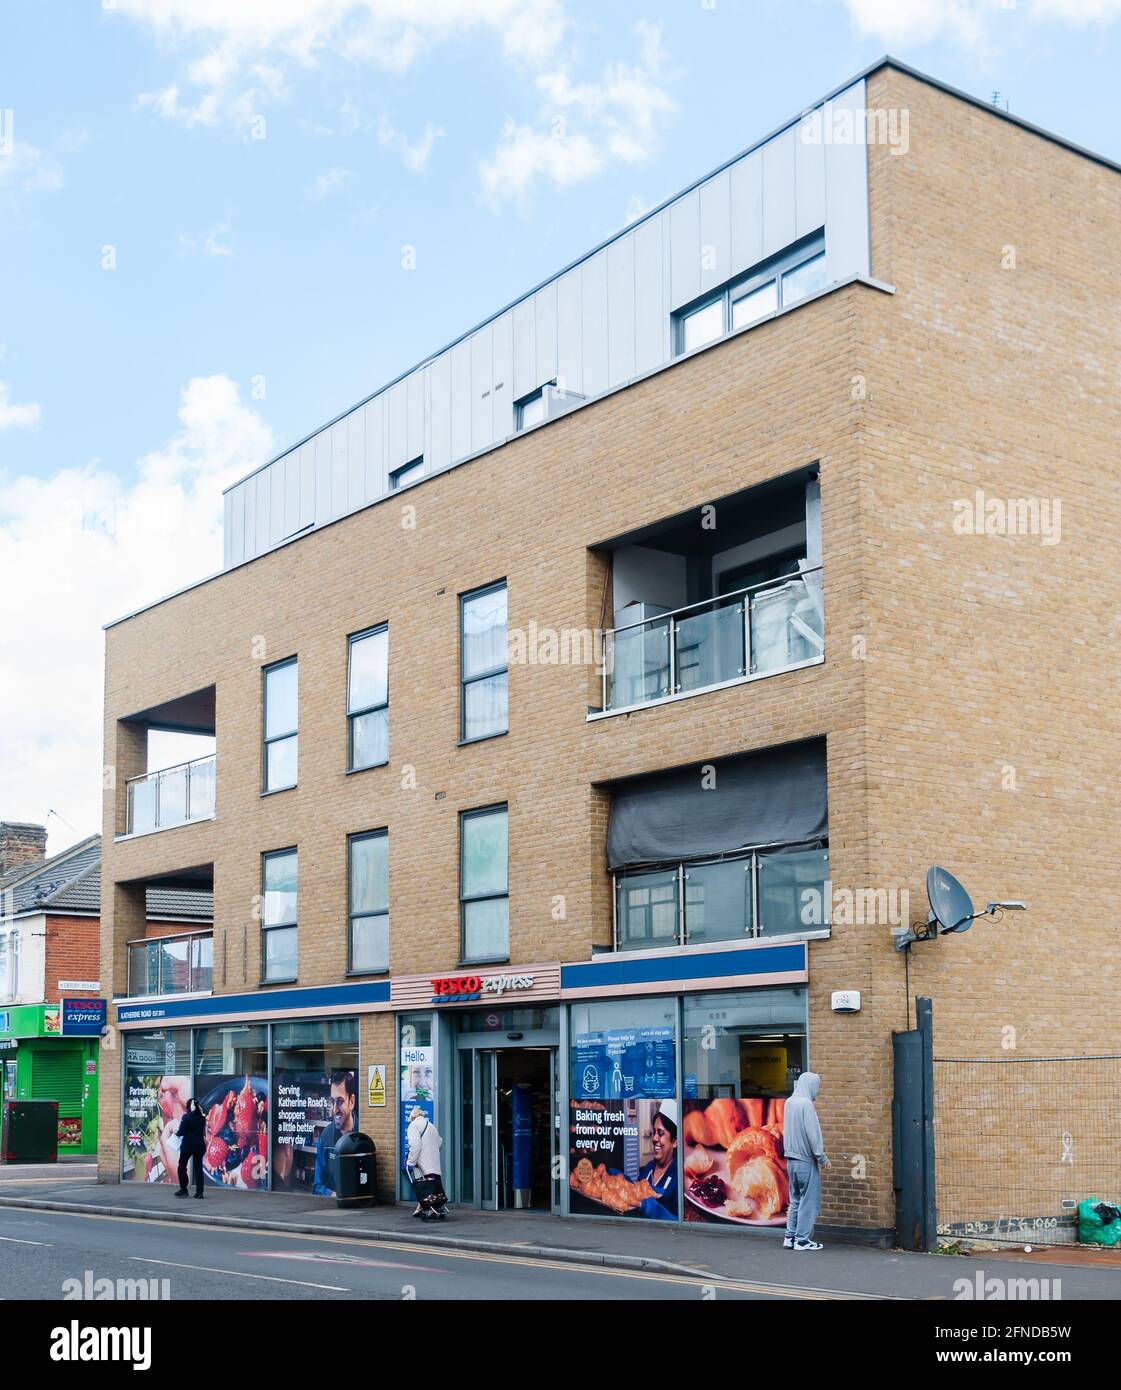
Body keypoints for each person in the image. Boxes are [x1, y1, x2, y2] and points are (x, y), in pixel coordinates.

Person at [782, 1072, 830, 1251]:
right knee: (809, 1201)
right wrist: (822, 1157)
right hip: (805, 1160)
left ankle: (790, 1236)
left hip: (791, 1160)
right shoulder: (806, 1105)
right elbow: (813, 1134)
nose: (817, 1091)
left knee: (795, 1200)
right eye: (816, 1086)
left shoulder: (789, 1102)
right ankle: (802, 1240)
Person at [313, 1071, 358, 1196]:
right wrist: (335, 1196)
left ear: (352, 1102)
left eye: (340, 1101)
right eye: (332, 1102)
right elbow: (318, 1185)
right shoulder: (326, 1137)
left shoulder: (363, 1134)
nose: (334, 1110)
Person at [636, 1101, 679, 1220]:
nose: (654, 1138)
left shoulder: (679, 1177)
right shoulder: (647, 1169)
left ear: (675, 1141)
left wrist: (651, 1208)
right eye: (654, 1132)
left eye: (660, 1133)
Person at [405, 1105, 445, 1219]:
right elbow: (440, 1142)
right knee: (432, 1187)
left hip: (422, 1163)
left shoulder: (413, 1126)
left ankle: (423, 1208)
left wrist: (410, 1162)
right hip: (433, 1162)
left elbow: (415, 1145)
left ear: (413, 1117)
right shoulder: (431, 1126)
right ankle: (423, 1208)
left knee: (423, 1186)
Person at [175, 1098, 205, 1199]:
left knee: (182, 1166)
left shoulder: (186, 1117)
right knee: (198, 1169)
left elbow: (181, 1132)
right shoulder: (202, 1117)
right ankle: (199, 1192)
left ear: (188, 1107)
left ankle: (184, 1189)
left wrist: (176, 1132)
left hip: (188, 1145)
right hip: (200, 1145)